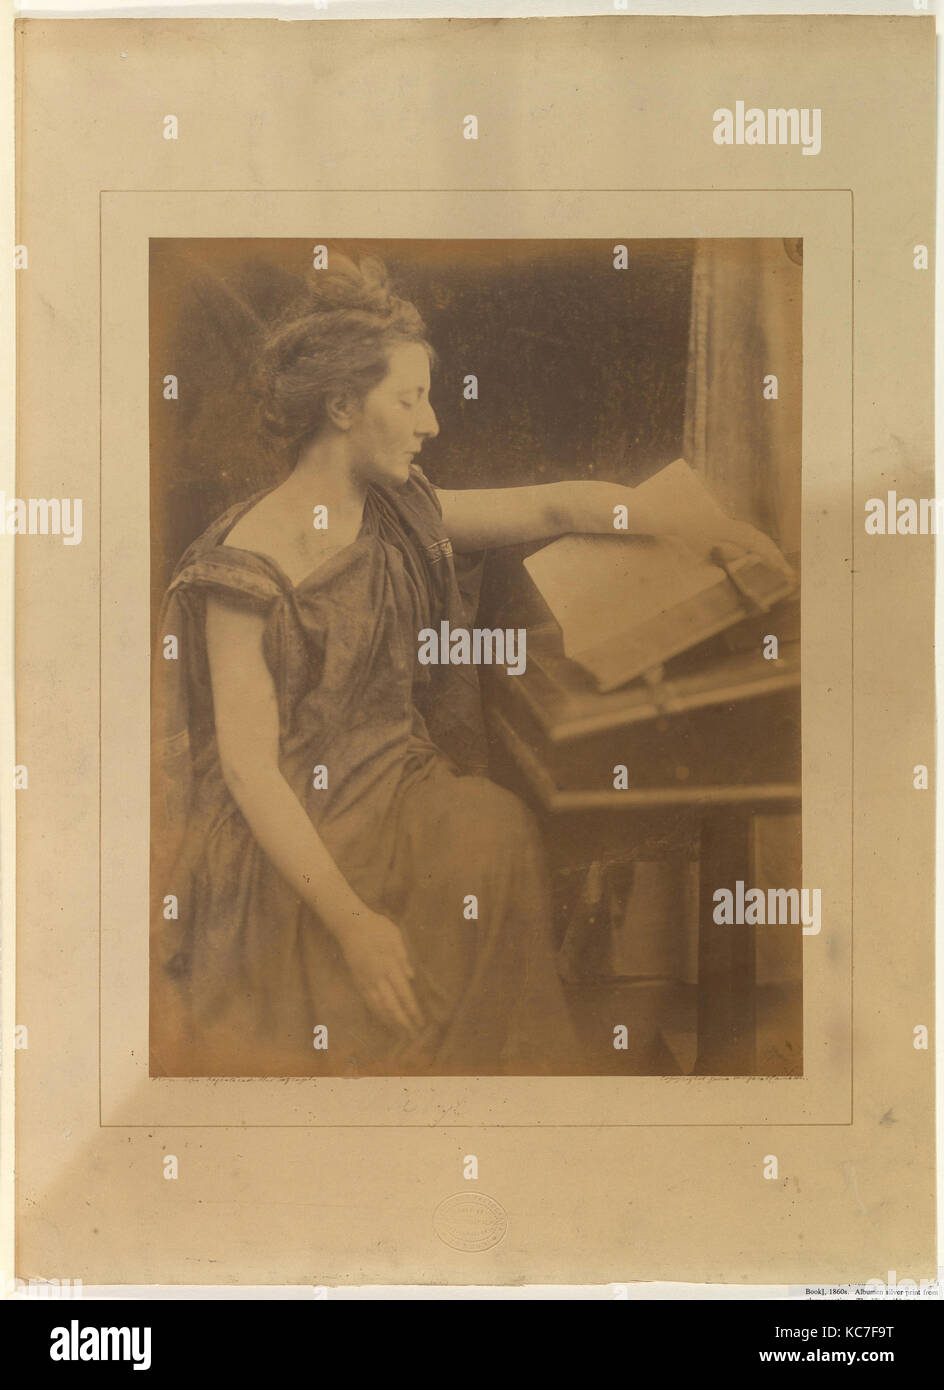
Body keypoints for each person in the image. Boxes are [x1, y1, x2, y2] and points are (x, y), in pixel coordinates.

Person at [150, 254, 788, 1078]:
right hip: (291, 832)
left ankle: (489, 1092)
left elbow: (555, 502)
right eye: (410, 399)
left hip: (394, 790)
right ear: (341, 405)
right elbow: (248, 774)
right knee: (422, 900)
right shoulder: (244, 569)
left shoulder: (406, 510)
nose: (433, 424)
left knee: (492, 829)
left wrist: (697, 525)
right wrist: (353, 922)